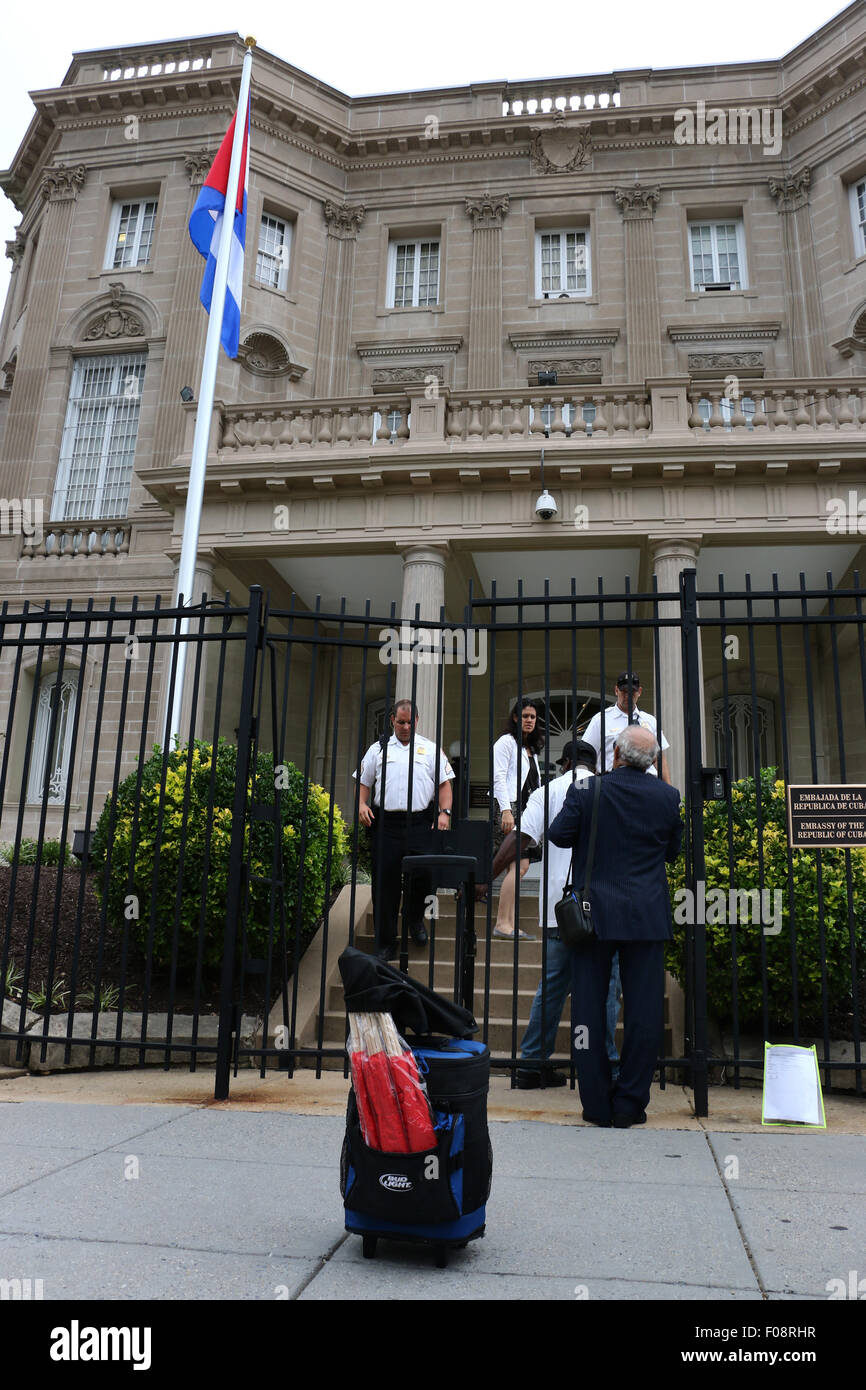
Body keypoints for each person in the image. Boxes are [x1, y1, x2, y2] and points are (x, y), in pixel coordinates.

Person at [548, 725, 683, 1128]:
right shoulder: (667, 796)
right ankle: (629, 1104)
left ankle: (596, 1104)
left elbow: (557, 835)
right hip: (645, 913)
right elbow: (673, 853)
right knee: (643, 1013)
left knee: (588, 1009)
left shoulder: (588, 790)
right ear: (652, 762)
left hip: (595, 914)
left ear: (616, 754)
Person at [488, 738, 597, 1089]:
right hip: (601, 905)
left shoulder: (547, 792)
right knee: (606, 987)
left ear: (564, 763)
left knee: (551, 987)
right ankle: (602, 1063)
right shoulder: (605, 789)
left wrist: (485, 876)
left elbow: (520, 838)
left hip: (559, 908)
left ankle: (532, 1064)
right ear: (593, 765)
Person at [356, 700, 454, 961]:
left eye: (410, 722)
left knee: (423, 875)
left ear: (417, 721)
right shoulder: (378, 749)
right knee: (385, 884)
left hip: (420, 823)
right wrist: (360, 804)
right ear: (392, 721)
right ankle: (386, 942)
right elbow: (364, 782)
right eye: (401, 722)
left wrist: (444, 813)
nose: (405, 726)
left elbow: (445, 786)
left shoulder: (431, 750)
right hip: (386, 824)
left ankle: (413, 920)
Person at [490, 698, 544, 940]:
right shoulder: (506, 743)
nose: (529, 721)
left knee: (518, 866)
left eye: (532, 717)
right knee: (519, 865)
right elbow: (498, 778)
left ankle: (509, 922)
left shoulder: (529, 749)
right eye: (524, 716)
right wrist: (505, 810)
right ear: (515, 717)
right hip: (510, 808)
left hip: (526, 811)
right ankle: (503, 922)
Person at [582, 671, 672, 783]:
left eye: (632, 691)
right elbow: (587, 755)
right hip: (612, 781)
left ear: (639, 692)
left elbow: (659, 758)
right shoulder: (600, 719)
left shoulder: (650, 721)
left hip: (646, 782)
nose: (627, 696)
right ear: (616, 690)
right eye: (623, 691)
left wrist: (668, 787)